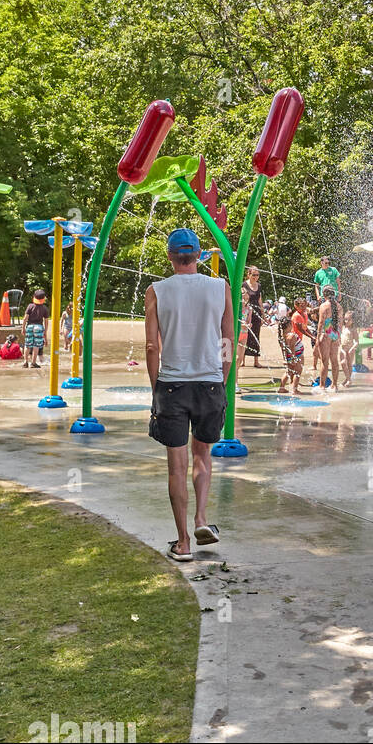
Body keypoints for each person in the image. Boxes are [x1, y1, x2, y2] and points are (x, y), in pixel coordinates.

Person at [145, 228, 234, 563]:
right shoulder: (220, 287)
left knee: (176, 467)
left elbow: (152, 346)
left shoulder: (156, 290)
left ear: (170, 256)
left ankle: (183, 544)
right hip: (209, 384)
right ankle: (201, 519)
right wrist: (222, 379)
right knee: (202, 456)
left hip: (172, 385)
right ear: (199, 255)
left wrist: (156, 387)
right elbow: (228, 339)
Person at [280, 297, 310, 394]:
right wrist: (293, 358)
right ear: (288, 326)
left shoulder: (284, 336)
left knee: (289, 371)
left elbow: (285, 348)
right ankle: (294, 389)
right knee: (298, 371)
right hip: (297, 354)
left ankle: (282, 387)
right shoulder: (291, 336)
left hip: (292, 355)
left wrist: (287, 358)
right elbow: (292, 347)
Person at [237, 266, 263, 370]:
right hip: (245, 312)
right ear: (248, 274)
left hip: (256, 313)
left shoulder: (259, 286)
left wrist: (263, 314)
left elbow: (260, 300)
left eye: (257, 275)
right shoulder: (244, 285)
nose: (256, 277)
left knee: (256, 335)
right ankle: (242, 360)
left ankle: (256, 360)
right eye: (254, 275)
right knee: (244, 335)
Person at [314, 288, 338, 389]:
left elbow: (321, 322)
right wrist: (338, 336)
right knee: (334, 360)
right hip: (335, 332)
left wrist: (318, 336)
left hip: (326, 331)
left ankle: (322, 386)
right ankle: (334, 385)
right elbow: (340, 321)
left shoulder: (324, 306)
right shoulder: (339, 306)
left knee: (324, 361)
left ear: (324, 295)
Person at [22, 289, 49, 368]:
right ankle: (33, 363)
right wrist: (45, 332)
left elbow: (25, 318)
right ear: (43, 299)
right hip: (39, 327)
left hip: (30, 326)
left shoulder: (30, 306)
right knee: (36, 346)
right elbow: (46, 321)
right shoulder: (44, 308)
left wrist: (23, 328)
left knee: (27, 345)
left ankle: (25, 362)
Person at [340, 310, 357, 389]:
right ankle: (348, 379)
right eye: (345, 319)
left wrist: (352, 349)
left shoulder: (353, 330)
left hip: (350, 349)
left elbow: (356, 342)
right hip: (343, 348)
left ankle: (348, 380)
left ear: (353, 320)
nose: (346, 321)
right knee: (343, 363)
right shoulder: (343, 328)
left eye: (348, 320)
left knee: (349, 365)